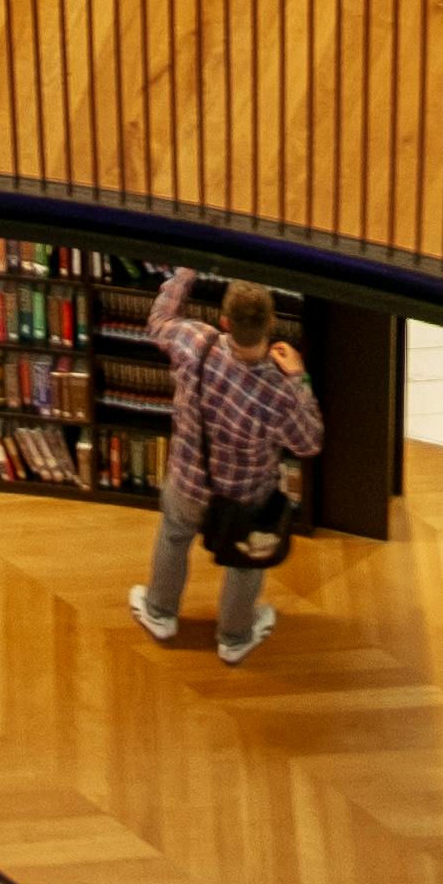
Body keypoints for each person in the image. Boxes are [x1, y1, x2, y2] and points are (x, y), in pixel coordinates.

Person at [128, 261, 319, 667]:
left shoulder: (195, 341)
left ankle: (160, 614)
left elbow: (159, 320)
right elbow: (308, 442)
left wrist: (185, 273)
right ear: (272, 323)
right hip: (245, 498)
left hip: (187, 480)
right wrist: (299, 378)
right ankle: (234, 638)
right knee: (244, 562)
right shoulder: (279, 389)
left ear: (225, 320)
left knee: (173, 536)